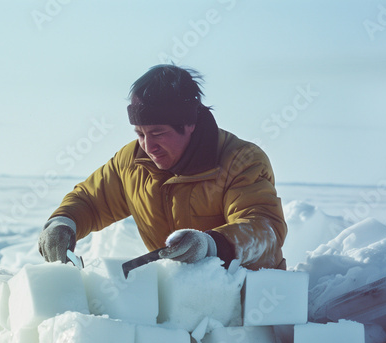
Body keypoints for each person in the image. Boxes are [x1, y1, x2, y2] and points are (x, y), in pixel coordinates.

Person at [38, 64, 287, 270]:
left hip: (249, 303)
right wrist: (63, 223)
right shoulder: (132, 162)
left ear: (189, 123)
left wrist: (209, 245)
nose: (148, 146)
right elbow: (90, 201)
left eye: (158, 133)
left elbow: (265, 230)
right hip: (177, 301)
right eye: (140, 133)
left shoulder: (241, 160)